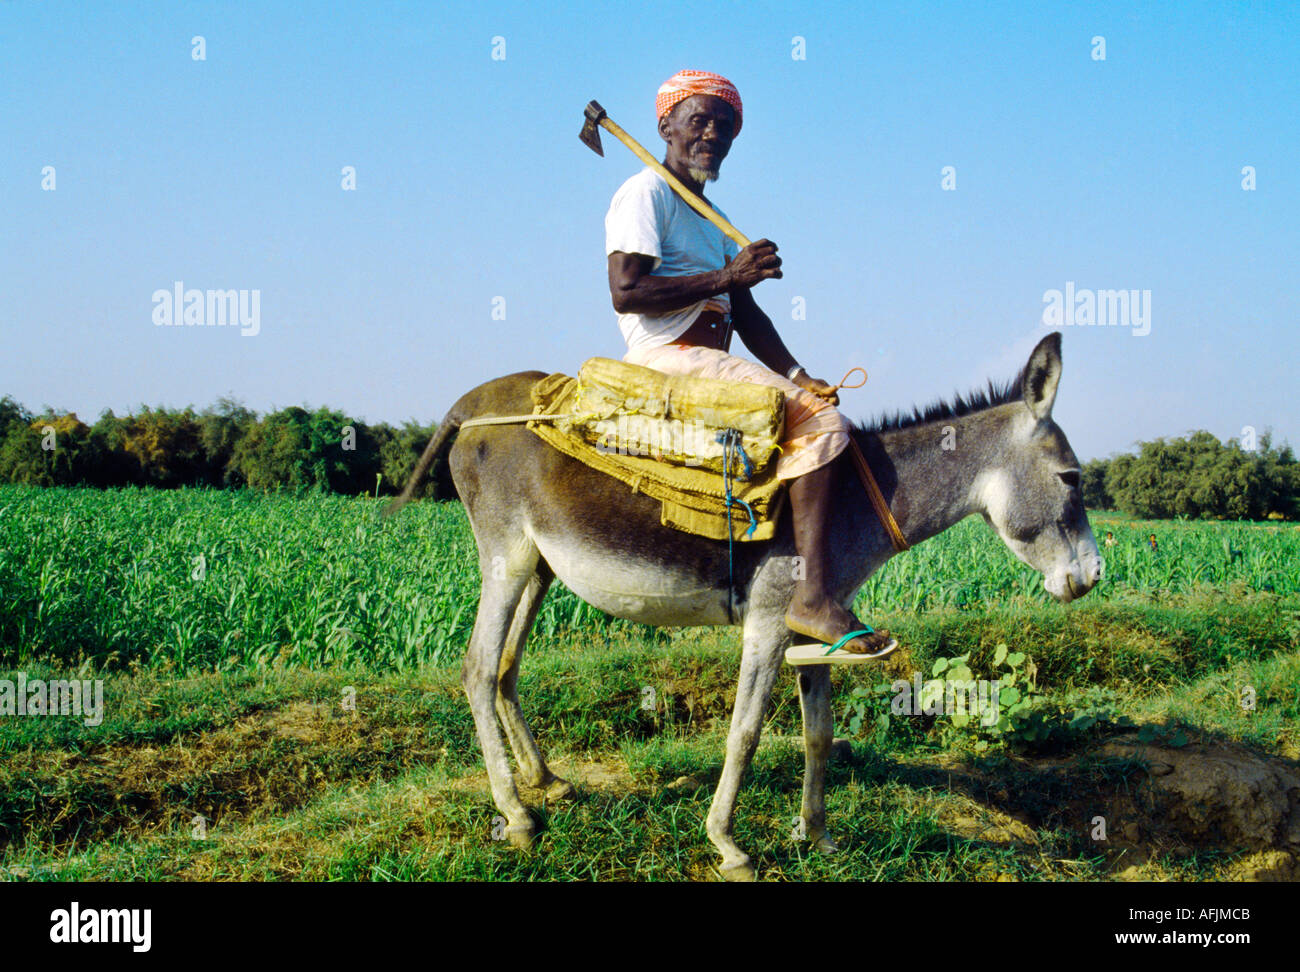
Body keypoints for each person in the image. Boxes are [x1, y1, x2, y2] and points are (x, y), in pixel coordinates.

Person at [604, 69, 892, 655]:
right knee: (824, 424)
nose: (713, 134)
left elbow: (747, 315)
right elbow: (626, 292)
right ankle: (813, 599)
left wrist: (798, 375)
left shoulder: (710, 214)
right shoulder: (645, 192)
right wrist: (727, 274)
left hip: (708, 357)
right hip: (666, 356)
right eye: (699, 121)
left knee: (809, 405)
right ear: (666, 126)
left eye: (726, 126)